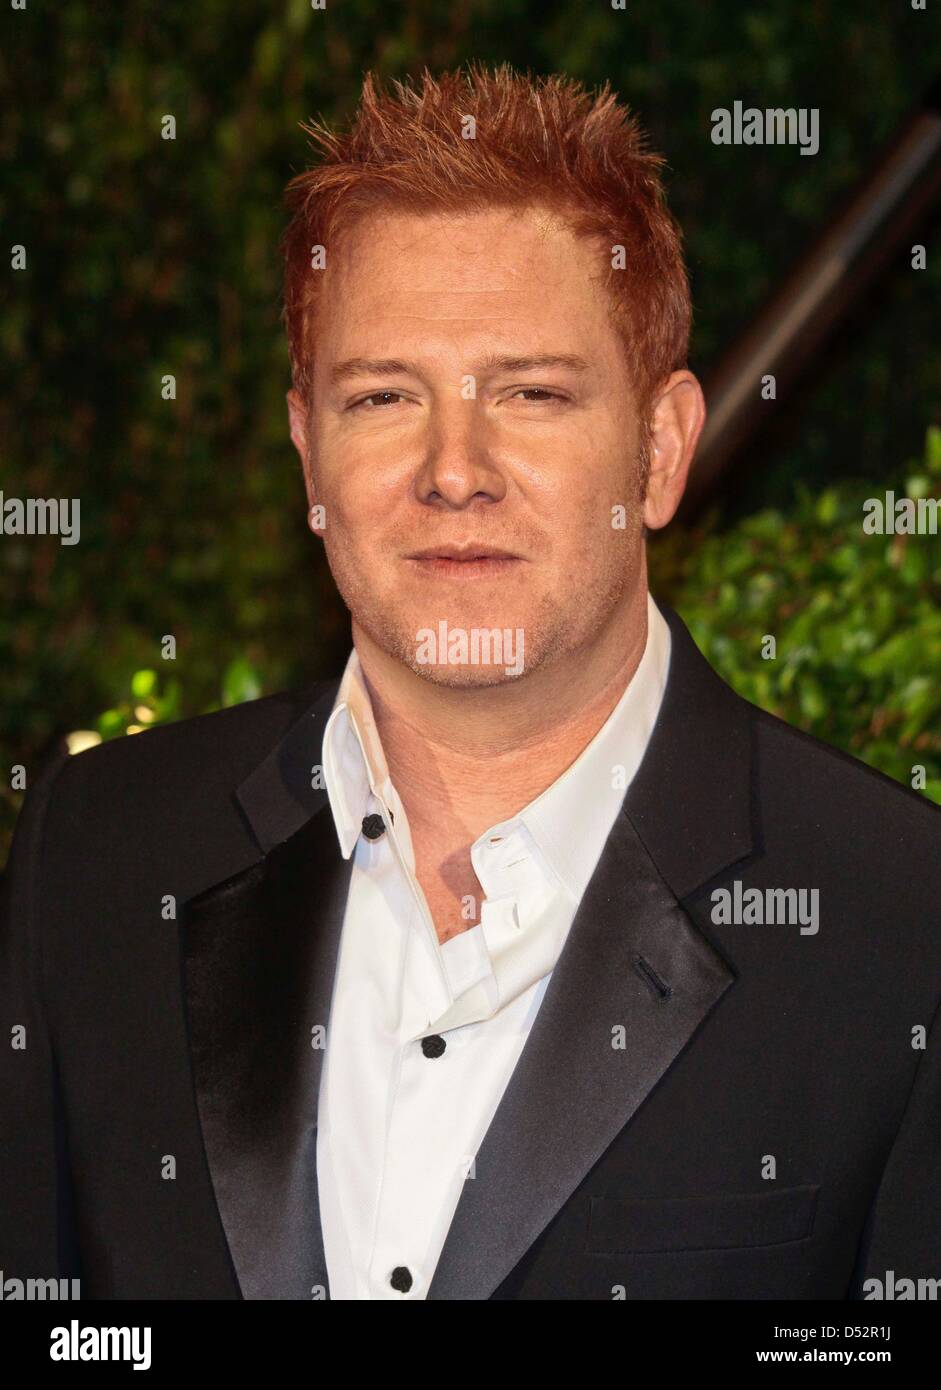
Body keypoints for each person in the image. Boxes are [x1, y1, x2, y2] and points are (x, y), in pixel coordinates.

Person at [2, 65, 939, 1301]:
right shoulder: (101, 853)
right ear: (308, 453)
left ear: (657, 452)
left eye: (530, 394)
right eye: (384, 395)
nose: (454, 469)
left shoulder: (896, 922)